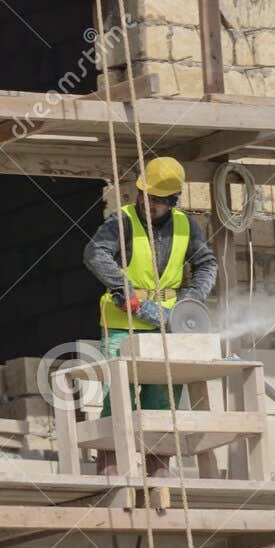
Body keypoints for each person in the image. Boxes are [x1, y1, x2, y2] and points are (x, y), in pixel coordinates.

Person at [82, 157, 217, 471]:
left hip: (166, 325)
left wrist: (191, 301)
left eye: (156, 200)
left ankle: (158, 468)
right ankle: (111, 465)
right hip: (123, 322)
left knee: (163, 396)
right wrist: (123, 288)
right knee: (119, 394)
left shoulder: (186, 226)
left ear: (172, 202)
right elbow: (95, 253)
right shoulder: (122, 221)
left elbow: (207, 264)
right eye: (144, 196)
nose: (147, 203)